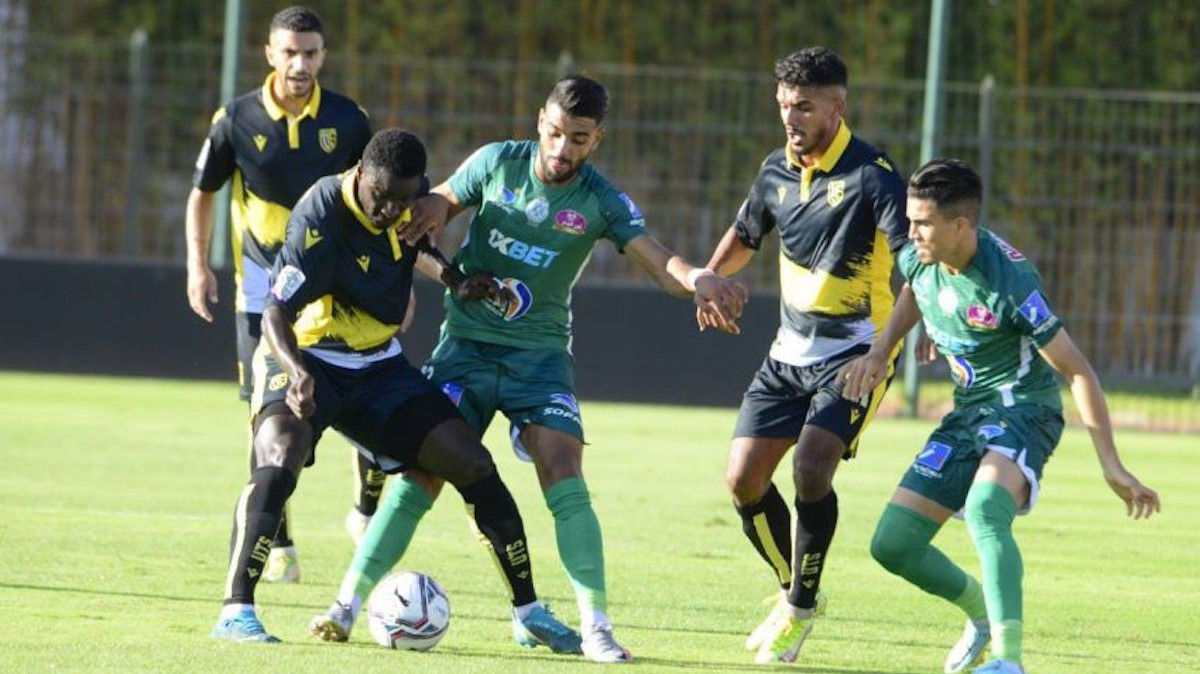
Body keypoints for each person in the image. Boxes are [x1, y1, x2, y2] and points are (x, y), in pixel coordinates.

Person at [308, 75, 748, 663]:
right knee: (422, 475)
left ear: (598, 139)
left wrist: (698, 279)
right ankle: (344, 607)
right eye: (557, 132)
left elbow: (657, 260)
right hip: (464, 349)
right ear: (540, 120)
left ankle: (597, 626)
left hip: (539, 361)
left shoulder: (599, 199)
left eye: (580, 139)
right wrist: (433, 217)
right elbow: (435, 205)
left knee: (563, 465)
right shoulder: (496, 163)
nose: (564, 149)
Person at [210, 128, 555, 645]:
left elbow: (420, 246)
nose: (391, 209)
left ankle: (529, 614)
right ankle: (236, 612)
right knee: (280, 456)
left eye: (403, 199)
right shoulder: (320, 213)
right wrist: (299, 371)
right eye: (382, 196)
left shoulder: (408, 199)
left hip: (379, 368)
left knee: (473, 462)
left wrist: (455, 280)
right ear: (360, 175)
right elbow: (276, 311)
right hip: (307, 357)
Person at [842, 158, 1161, 674]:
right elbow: (914, 291)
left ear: (961, 226)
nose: (910, 231)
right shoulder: (919, 255)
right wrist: (883, 350)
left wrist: (1112, 464)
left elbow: (1078, 372)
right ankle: (980, 614)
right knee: (893, 545)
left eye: (922, 222)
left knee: (987, 508)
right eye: (909, 218)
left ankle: (1008, 662)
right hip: (968, 413)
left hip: (1023, 410)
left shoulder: (1011, 282)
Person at [696, 47, 911, 664]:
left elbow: (917, 273)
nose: (791, 117)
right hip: (786, 354)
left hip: (853, 354)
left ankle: (798, 610)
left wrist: (881, 350)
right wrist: (710, 276)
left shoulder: (875, 175)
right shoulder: (774, 170)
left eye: (805, 106)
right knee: (742, 480)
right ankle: (793, 590)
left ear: (836, 107)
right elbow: (745, 234)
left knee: (812, 467)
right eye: (785, 104)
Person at [185, 6, 384, 583]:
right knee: (267, 417)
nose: (301, 64)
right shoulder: (236, 118)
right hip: (261, 289)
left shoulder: (348, 120)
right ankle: (279, 543)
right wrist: (198, 265)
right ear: (269, 54)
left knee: (370, 401)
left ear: (324, 56)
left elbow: (379, 202)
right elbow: (202, 193)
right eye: (290, 52)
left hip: (339, 290)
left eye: (311, 53)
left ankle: (364, 512)